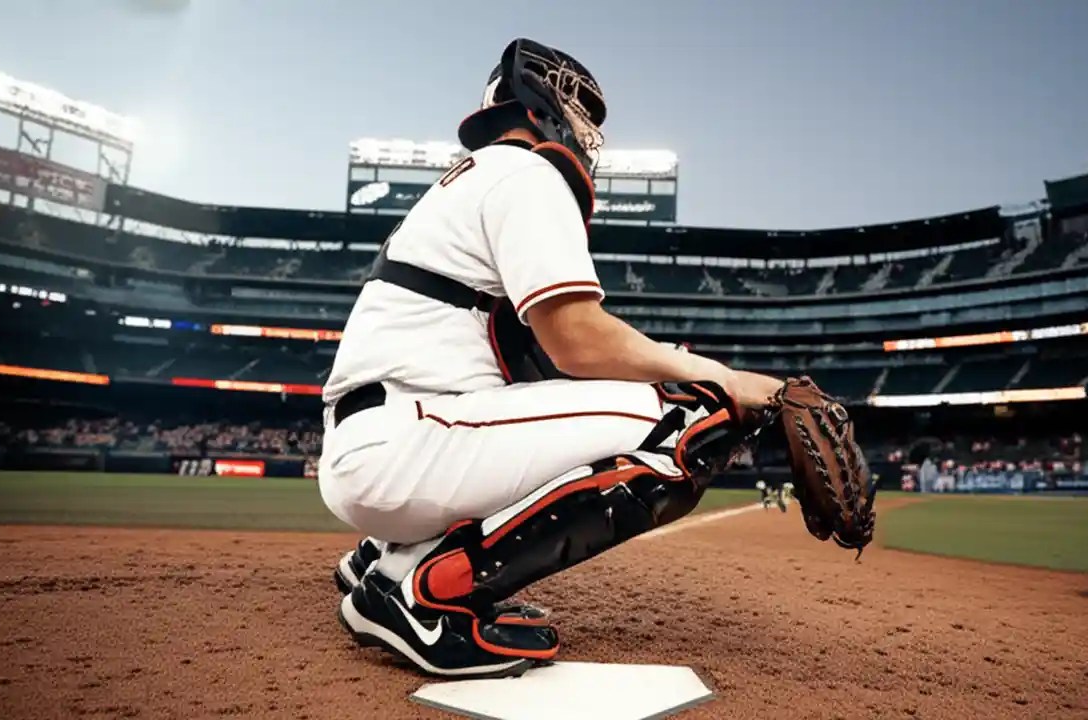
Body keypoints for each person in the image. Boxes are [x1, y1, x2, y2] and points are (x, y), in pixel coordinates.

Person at [318, 39, 782, 679]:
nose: (592, 132)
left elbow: (546, 361)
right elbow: (578, 340)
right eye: (584, 109)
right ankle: (420, 592)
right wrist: (720, 377)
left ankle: (388, 558)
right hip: (407, 445)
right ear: (541, 102)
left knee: (565, 394)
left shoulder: (478, 178)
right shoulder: (528, 170)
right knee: (679, 420)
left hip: (391, 445)